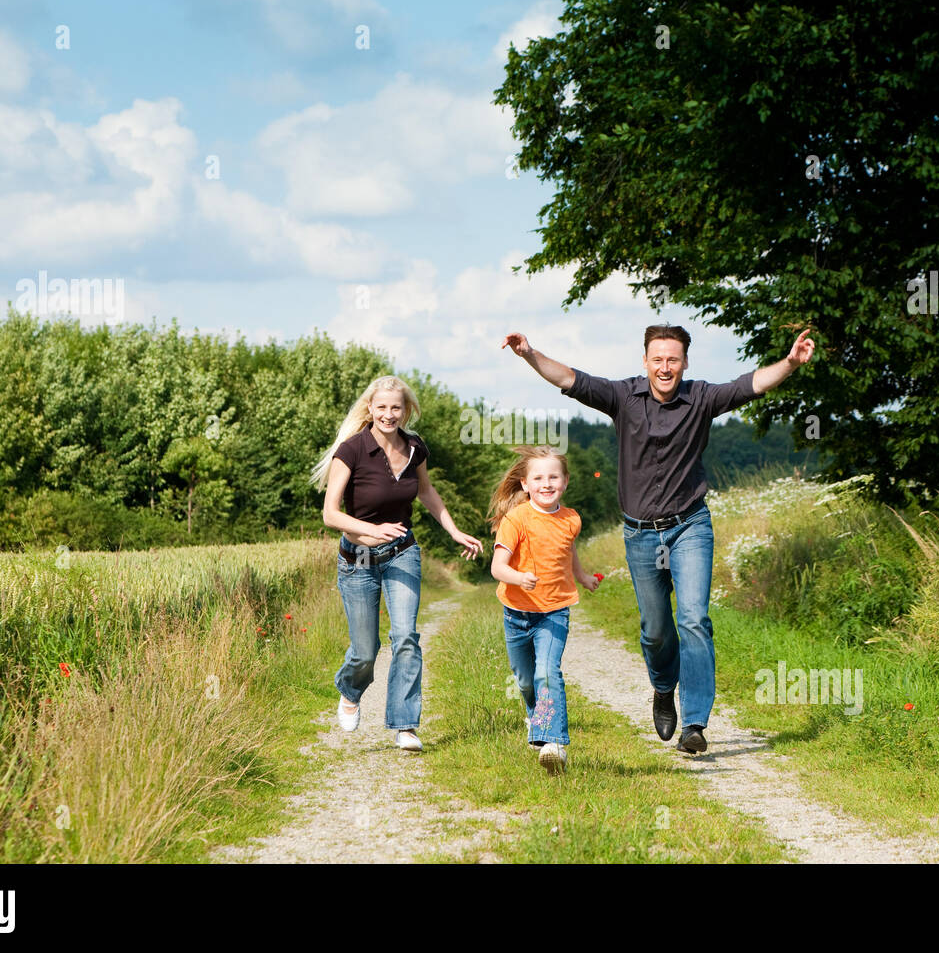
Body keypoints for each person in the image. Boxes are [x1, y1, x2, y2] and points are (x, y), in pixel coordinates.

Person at [501, 324, 815, 753]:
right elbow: (569, 378)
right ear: (645, 361)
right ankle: (664, 687)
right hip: (641, 535)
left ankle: (696, 724)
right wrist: (529, 354)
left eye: (673, 359)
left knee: (693, 620)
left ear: (685, 363)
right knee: (654, 631)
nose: (665, 367)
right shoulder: (623, 397)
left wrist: (791, 363)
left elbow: (750, 385)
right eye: (657, 358)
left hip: (690, 527)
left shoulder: (701, 397)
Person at [311, 375, 484, 751]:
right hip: (357, 559)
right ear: (370, 409)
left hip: (402, 553)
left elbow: (426, 492)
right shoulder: (352, 450)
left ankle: (405, 725)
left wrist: (454, 530)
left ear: (406, 411)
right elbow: (330, 514)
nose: (389, 414)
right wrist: (370, 530)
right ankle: (350, 689)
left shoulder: (414, 447)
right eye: (382, 407)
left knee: (406, 636)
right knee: (365, 650)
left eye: (396, 407)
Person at [488, 445, 600, 773]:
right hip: (517, 612)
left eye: (553, 477)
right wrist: (518, 577)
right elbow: (498, 567)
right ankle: (538, 718)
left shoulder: (571, 519)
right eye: (538, 478)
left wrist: (582, 577)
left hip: (555, 611)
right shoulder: (516, 518)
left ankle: (553, 743)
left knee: (547, 672)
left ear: (565, 482)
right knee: (525, 680)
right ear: (525, 484)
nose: (546, 483)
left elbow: (567, 550)